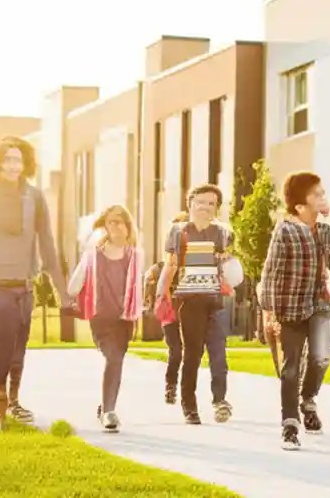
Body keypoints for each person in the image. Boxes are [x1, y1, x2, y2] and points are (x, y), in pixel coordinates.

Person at [0, 135, 71, 430]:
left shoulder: (34, 198)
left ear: (26, 164)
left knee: (19, 351)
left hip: (25, 285)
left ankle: (14, 401)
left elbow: (47, 244)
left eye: (17, 159)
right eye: (6, 159)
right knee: (4, 348)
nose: (12, 165)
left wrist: (62, 290)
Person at [260, 171, 330, 450]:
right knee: (291, 366)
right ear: (299, 205)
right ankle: (290, 424)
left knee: (321, 357)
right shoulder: (285, 230)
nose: (323, 198)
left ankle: (308, 399)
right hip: (289, 307)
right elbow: (270, 272)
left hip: (318, 303)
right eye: (316, 194)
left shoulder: (323, 231)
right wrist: (268, 311)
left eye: (322, 193)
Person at [156, 184, 243, 425]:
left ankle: (219, 401)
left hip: (215, 300)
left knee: (218, 353)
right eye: (200, 202)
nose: (205, 207)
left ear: (217, 208)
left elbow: (227, 265)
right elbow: (171, 264)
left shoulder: (223, 233)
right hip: (190, 300)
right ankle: (189, 405)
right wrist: (160, 293)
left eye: (211, 203)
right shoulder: (178, 232)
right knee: (192, 354)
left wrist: (228, 276)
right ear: (190, 203)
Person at [67, 204, 145, 433]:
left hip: (125, 319)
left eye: (120, 221)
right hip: (101, 318)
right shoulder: (93, 256)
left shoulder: (134, 256)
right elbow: (73, 287)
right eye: (111, 221)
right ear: (104, 226)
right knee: (113, 358)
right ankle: (109, 411)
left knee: (117, 360)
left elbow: (137, 288)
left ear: (128, 226)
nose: (116, 226)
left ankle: (106, 406)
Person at [144, 211, 188, 405]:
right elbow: (149, 280)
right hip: (170, 313)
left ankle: (187, 389)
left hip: (190, 311)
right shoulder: (161, 266)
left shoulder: (195, 264)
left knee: (191, 351)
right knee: (176, 351)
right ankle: (171, 387)